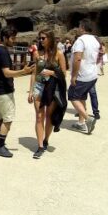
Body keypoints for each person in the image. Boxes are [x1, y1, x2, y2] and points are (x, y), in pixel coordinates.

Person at [0, 27, 34, 158]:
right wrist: (24, 72)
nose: (14, 40)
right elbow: (6, 73)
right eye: (12, 38)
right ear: (5, 38)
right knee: (8, 119)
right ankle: (0, 146)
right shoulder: (3, 52)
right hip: (4, 91)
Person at [28, 30, 67, 159]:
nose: (41, 40)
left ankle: (45, 140)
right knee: (39, 117)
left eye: (43, 38)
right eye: (39, 38)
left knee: (49, 117)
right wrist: (31, 90)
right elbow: (34, 73)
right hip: (39, 87)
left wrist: (52, 73)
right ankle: (39, 146)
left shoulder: (59, 54)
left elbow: (63, 74)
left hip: (52, 88)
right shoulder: (36, 53)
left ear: (50, 39)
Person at [69, 19, 99, 134]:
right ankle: (81, 123)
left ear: (82, 27)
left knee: (72, 96)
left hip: (82, 75)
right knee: (82, 97)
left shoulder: (81, 40)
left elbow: (77, 58)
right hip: (92, 74)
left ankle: (88, 119)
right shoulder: (95, 40)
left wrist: (74, 76)